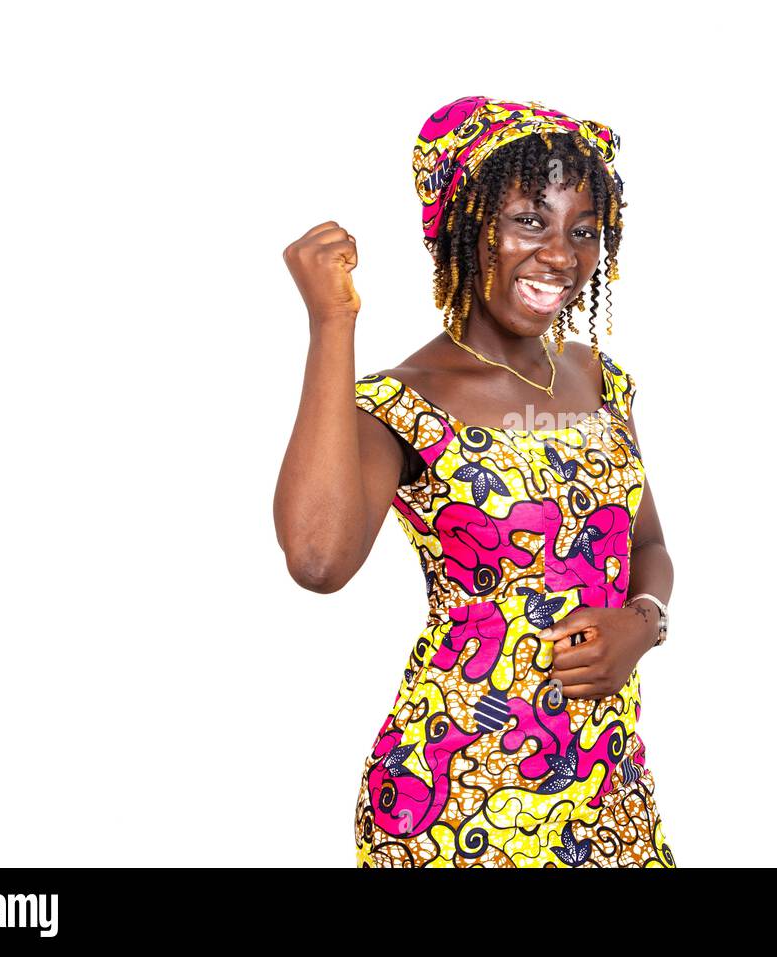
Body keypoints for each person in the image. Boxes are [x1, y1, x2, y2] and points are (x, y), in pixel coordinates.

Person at [274, 96, 677, 868]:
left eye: (583, 230)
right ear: (466, 223)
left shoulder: (599, 379)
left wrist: (645, 622)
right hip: (456, 798)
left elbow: (648, 541)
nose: (561, 254)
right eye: (532, 220)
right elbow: (318, 560)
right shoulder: (407, 400)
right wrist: (333, 324)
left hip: (608, 793)